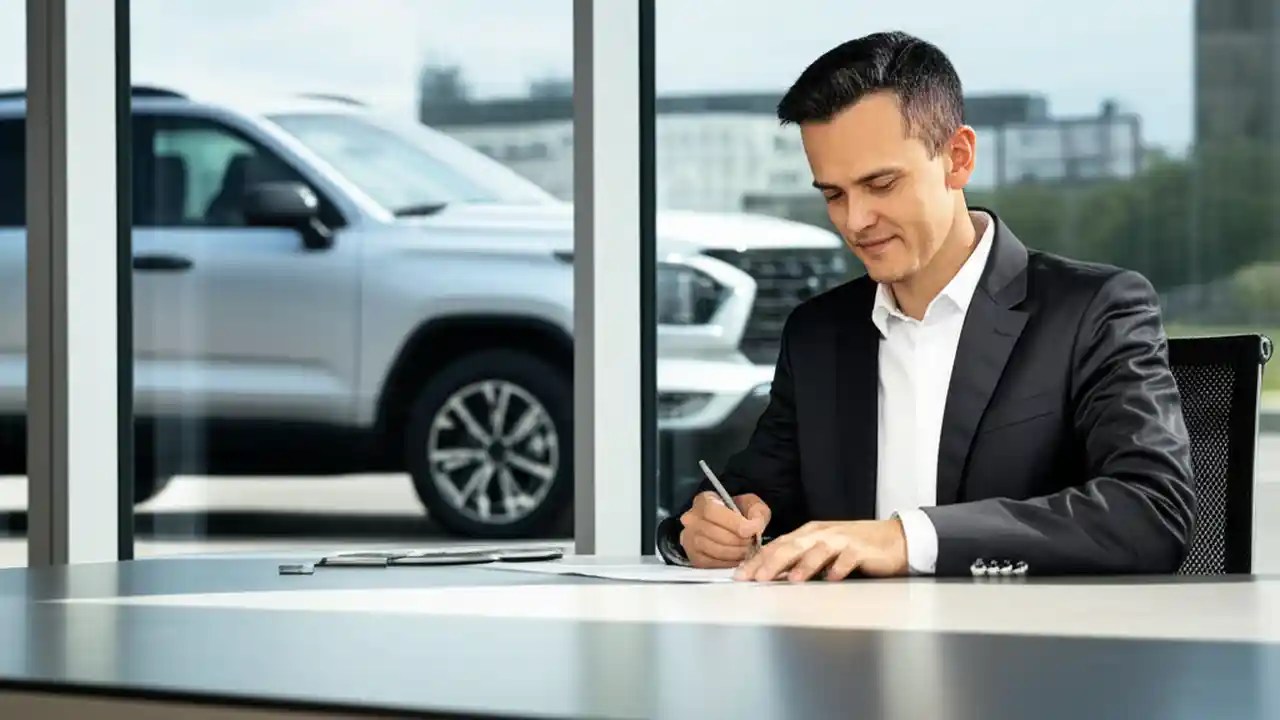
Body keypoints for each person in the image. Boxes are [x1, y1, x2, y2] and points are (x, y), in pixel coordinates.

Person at [656, 31, 1196, 581]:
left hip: (1032, 654)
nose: (854, 220)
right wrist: (700, 531)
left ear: (957, 159)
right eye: (833, 194)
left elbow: (1150, 512)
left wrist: (907, 537)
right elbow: (744, 495)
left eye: (881, 184)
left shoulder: (1093, 311)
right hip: (844, 656)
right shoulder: (818, 335)